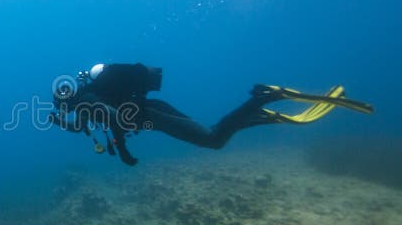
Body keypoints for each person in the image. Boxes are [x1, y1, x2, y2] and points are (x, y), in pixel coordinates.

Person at [49, 63, 373, 166]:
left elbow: (113, 119)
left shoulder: (88, 101)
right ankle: (262, 112)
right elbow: (81, 128)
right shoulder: (85, 102)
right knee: (213, 133)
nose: (65, 111)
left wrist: (122, 151)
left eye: (61, 108)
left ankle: (263, 100)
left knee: (214, 140)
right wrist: (60, 123)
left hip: (151, 116)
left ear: (67, 101)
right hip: (154, 111)